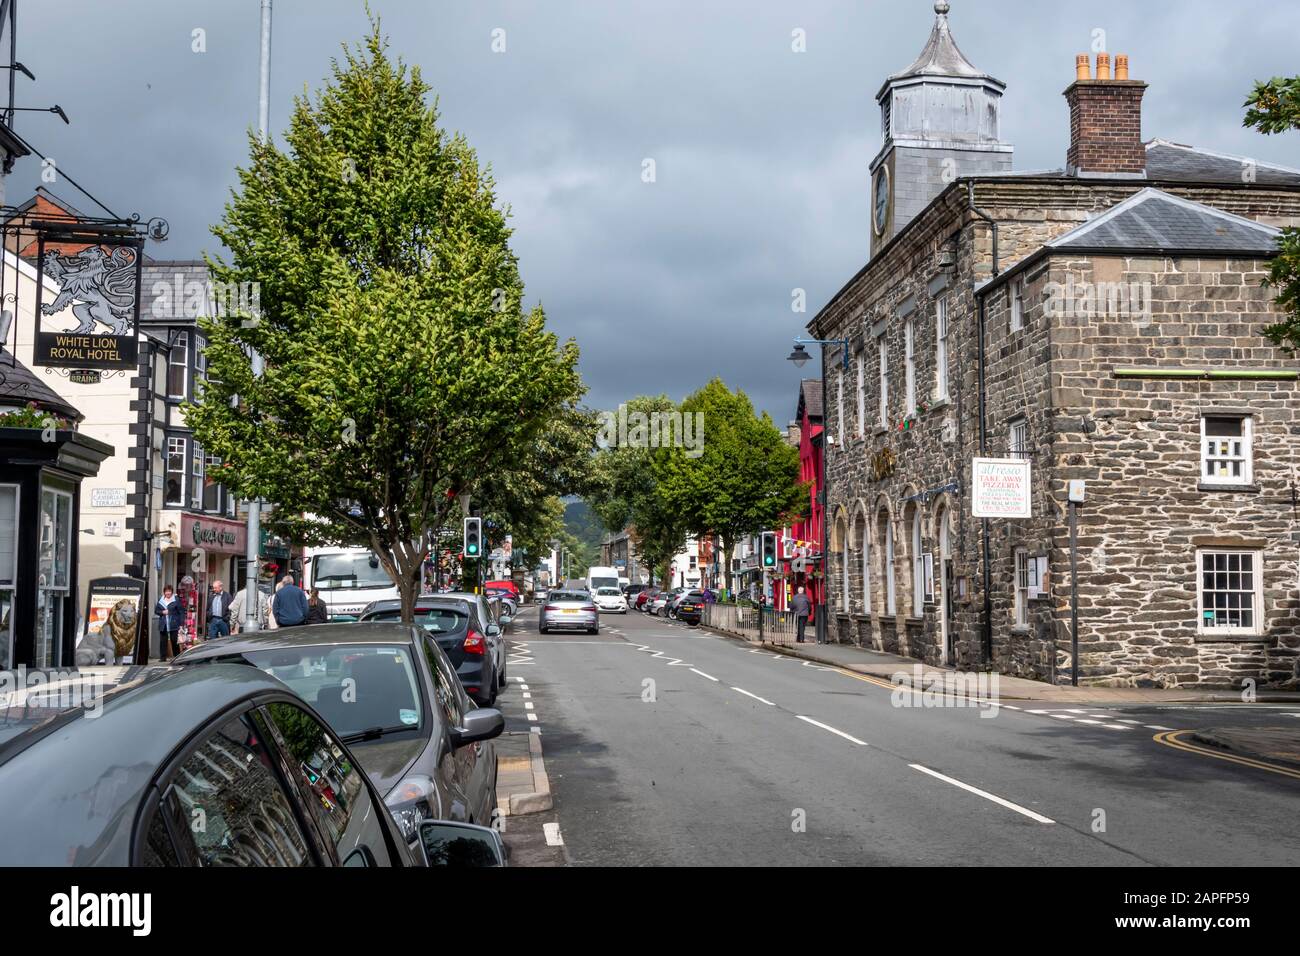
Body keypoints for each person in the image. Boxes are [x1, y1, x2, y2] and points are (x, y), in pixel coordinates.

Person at [156, 584, 183, 660]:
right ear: (164, 592)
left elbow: (181, 612)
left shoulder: (176, 599)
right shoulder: (160, 600)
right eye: (166, 591)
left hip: (173, 623)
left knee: (174, 640)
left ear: (172, 592)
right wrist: (162, 612)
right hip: (163, 624)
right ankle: (163, 658)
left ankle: (177, 656)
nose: (168, 593)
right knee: (163, 641)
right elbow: (156, 611)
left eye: (169, 591)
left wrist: (181, 624)